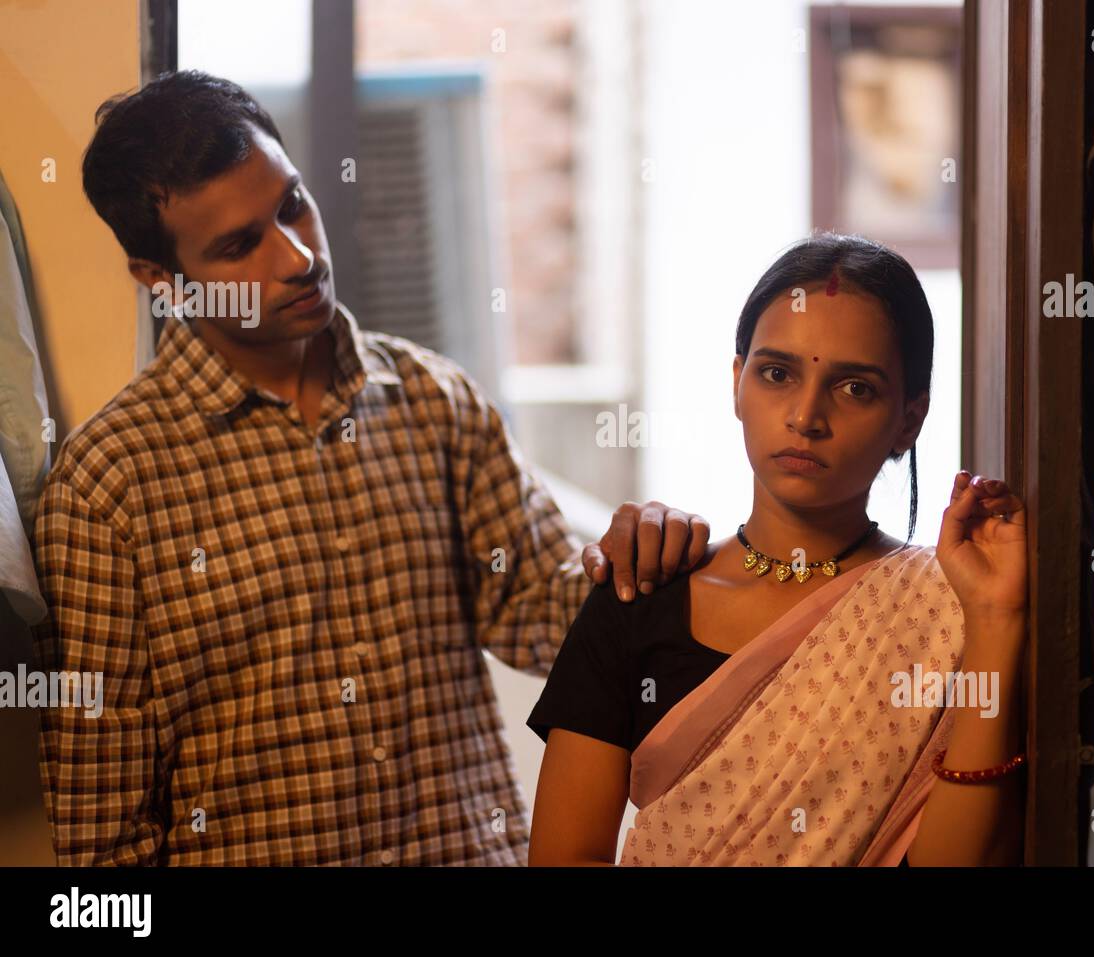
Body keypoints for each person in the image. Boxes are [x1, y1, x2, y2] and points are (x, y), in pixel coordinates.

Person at [31, 70, 709, 866]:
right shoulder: (107, 487)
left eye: (292, 205)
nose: (295, 256)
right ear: (162, 283)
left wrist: (640, 563)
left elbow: (543, 614)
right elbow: (102, 830)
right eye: (239, 245)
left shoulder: (433, 399)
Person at [527, 233, 1028, 866]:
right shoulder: (638, 592)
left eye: (855, 388)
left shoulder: (945, 612)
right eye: (776, 373)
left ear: (910, 418)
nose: (806, 415)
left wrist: (997, 619)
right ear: (738, 383)